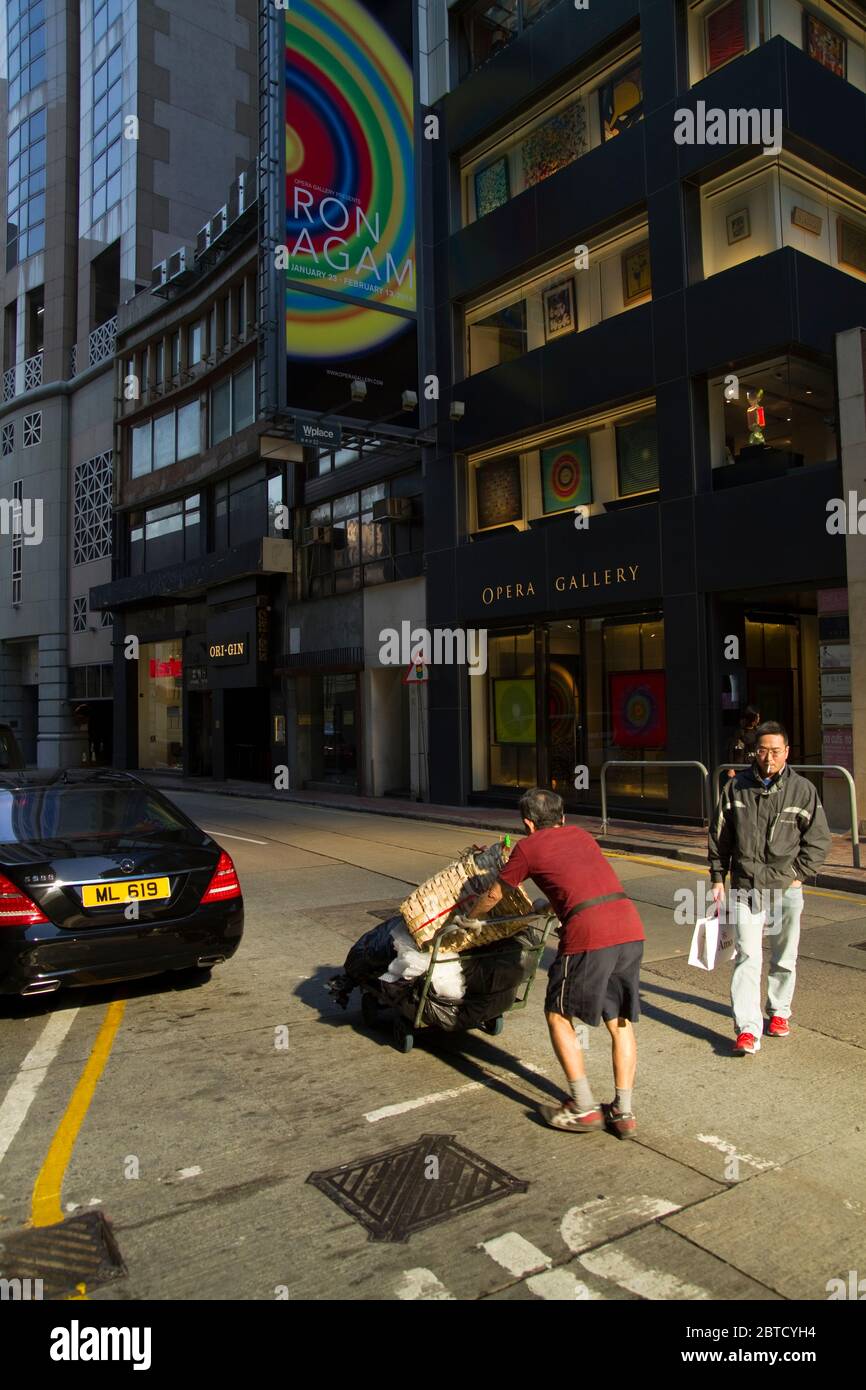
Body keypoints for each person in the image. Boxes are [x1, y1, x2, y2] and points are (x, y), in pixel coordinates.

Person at [462, 787, 646, 1139]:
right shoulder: (581, 836)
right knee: (618, 1019)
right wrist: (549, 907)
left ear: (528, 824)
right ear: (563, 818)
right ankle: (623, 1112)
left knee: (558, 1013)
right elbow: (577, 881)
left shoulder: (528, 847)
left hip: (589, 936)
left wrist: (472, 918)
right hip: (628, 927)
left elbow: (496, 892)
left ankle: (582, 1107)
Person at [708, 722, 831, 1054]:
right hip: (747, 886)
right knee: (747, 955)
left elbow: (818, 841)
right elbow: (720, 837)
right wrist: (718, 878)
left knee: (784, 955)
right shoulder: (735, 789)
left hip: (786, 888)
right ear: (755, 752)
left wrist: (798, 874)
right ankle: (747, 1029)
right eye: (762, 750)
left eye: (776, 751)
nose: (768, 757)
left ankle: (779, 1011)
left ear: (787, 752)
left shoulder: (803, 790)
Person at [725, 705, 761, 777]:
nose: (759, 719)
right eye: (757, 717)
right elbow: (731, 749)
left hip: (755, 767)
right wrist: (731, 768)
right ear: (753, 719)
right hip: (741, 767)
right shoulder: (739, 732)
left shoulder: (759, 731)